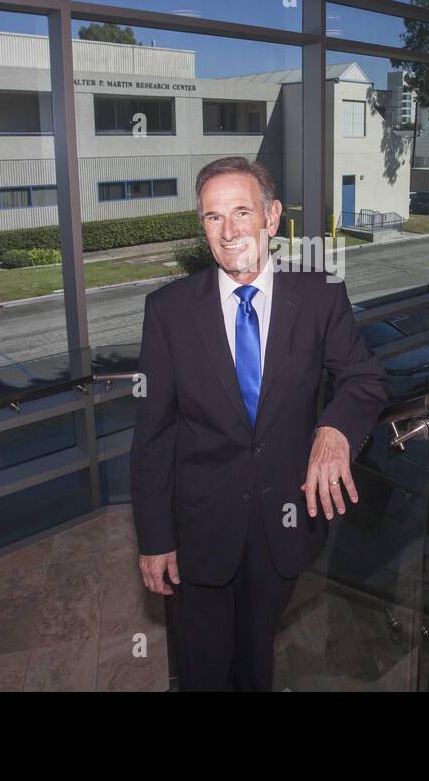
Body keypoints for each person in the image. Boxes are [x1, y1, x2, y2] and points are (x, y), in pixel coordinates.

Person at [129, 156, 390, 691]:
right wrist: (154, 538)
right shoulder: (168, 311)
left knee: (256, 659)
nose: (228, 232)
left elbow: (364, 377)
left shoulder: (320, 296)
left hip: (285, 524)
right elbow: (152, 435)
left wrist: (334, 430)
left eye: (241, 212)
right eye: (212, 217)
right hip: (198, 530)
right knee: (202, 669)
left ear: (271, 218)